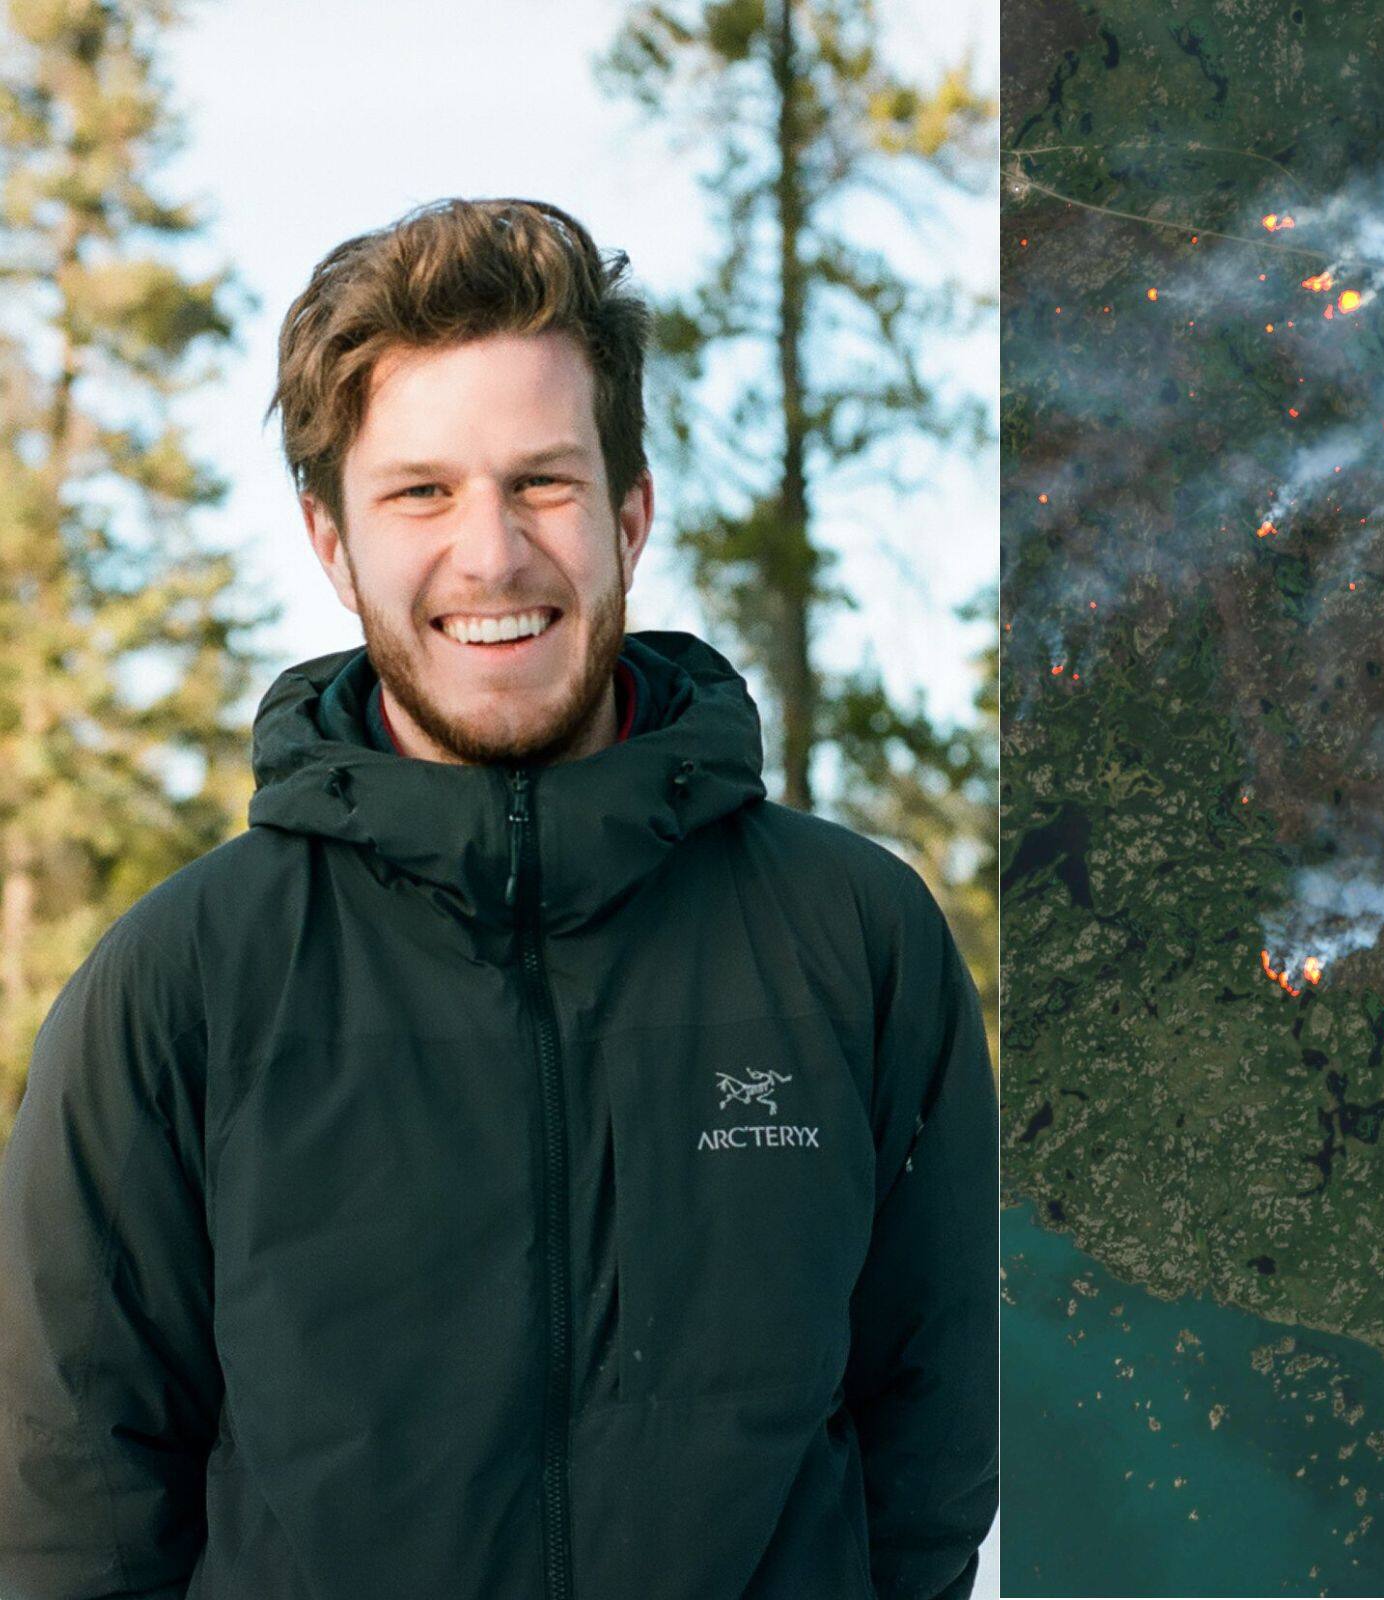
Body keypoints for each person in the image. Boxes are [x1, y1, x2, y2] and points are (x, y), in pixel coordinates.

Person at [0, 197, 997, 1600]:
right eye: (420, 491)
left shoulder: (857, 945)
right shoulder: (178, 989)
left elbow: (936, 1433)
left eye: (542, 483)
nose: (491, 554)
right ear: (334, 543)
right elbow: (73, 1502)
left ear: (629, 515)